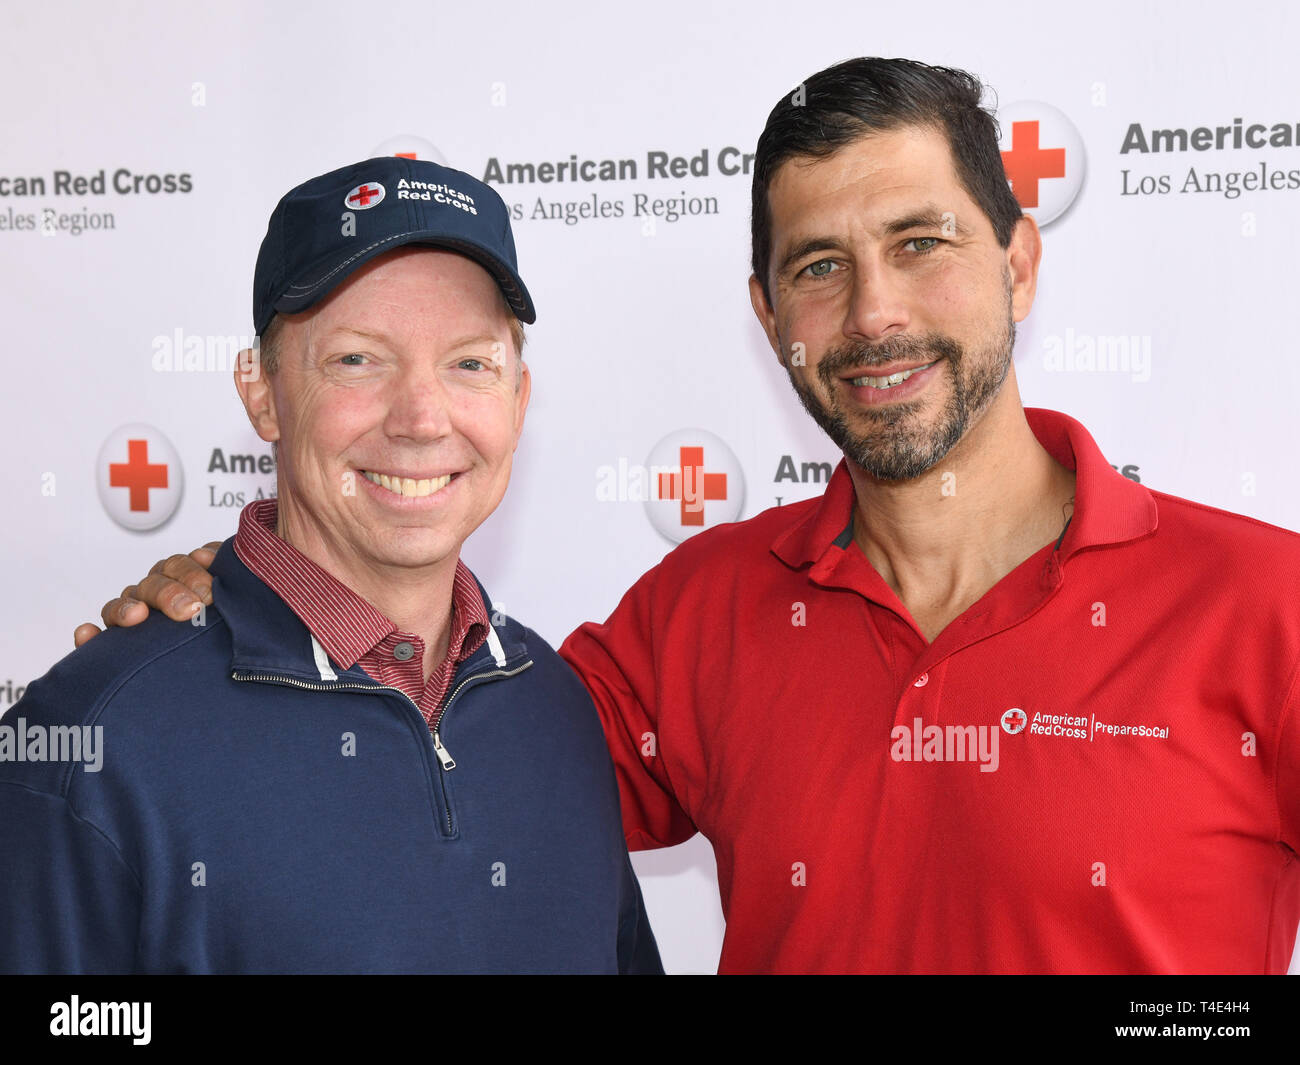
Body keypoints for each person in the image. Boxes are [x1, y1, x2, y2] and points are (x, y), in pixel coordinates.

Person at [82, 58, 1300, 974]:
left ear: (1019, 265)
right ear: (770, 314)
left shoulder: (1263, 604)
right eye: (819, 266)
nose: (873, 311)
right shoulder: (699, 613)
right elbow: (421, 748)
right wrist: (244, 599)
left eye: (920, 243)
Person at [4, 156, 660, 974]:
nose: (422, 418)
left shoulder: (554, 708)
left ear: (520, 401)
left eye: (470, 363)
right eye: (357, 359)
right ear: (263, 393)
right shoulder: (89, 741)